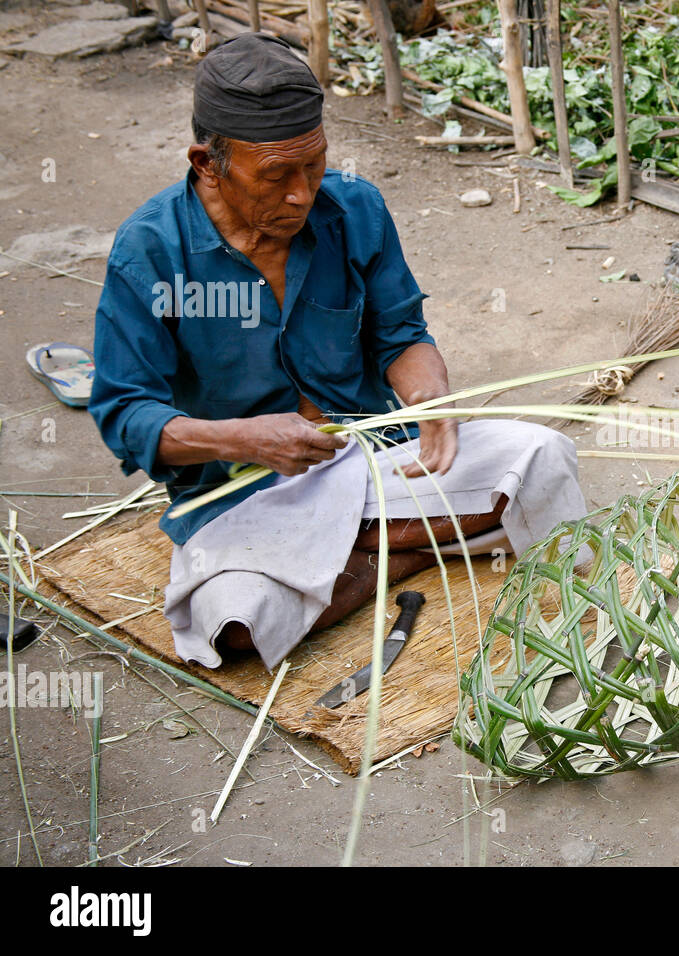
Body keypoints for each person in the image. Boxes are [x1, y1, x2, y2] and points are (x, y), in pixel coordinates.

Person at [89, 33, 587, 671]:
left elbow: (402, 336)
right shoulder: (151, 252)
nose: (301, 193)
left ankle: (350, 559)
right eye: (276, 175)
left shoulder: (354, 210)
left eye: (314, 165)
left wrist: (430, 396)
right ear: (207, 162)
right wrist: (244, 439)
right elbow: (125, 417)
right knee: (236, 622)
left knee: (542, 458)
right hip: (245, 492)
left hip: (381, 461)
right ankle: (408, 550)